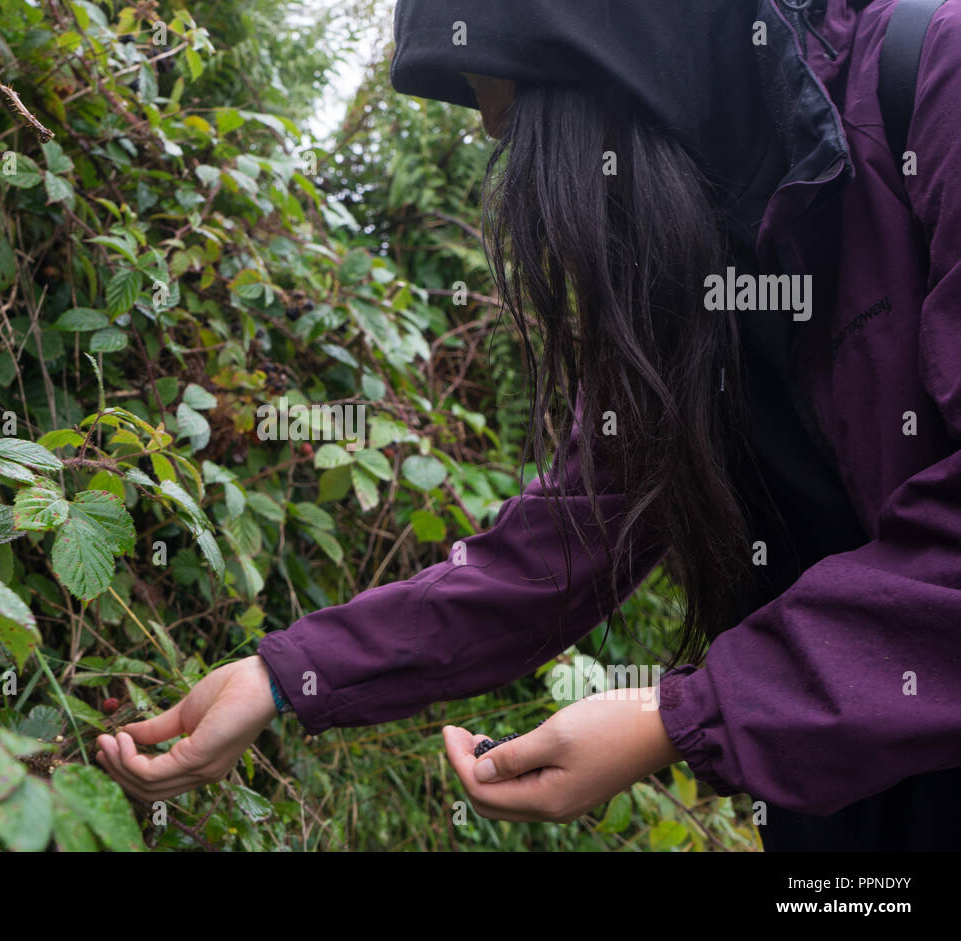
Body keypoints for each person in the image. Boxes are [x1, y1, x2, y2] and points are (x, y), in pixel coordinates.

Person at [96, 0, 961, 851]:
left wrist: (691, 711)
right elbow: (567, 536)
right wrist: (283, 676)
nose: (496, 144)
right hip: (841, 804)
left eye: (508, 112)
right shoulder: (686, 261)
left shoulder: (932, 85)